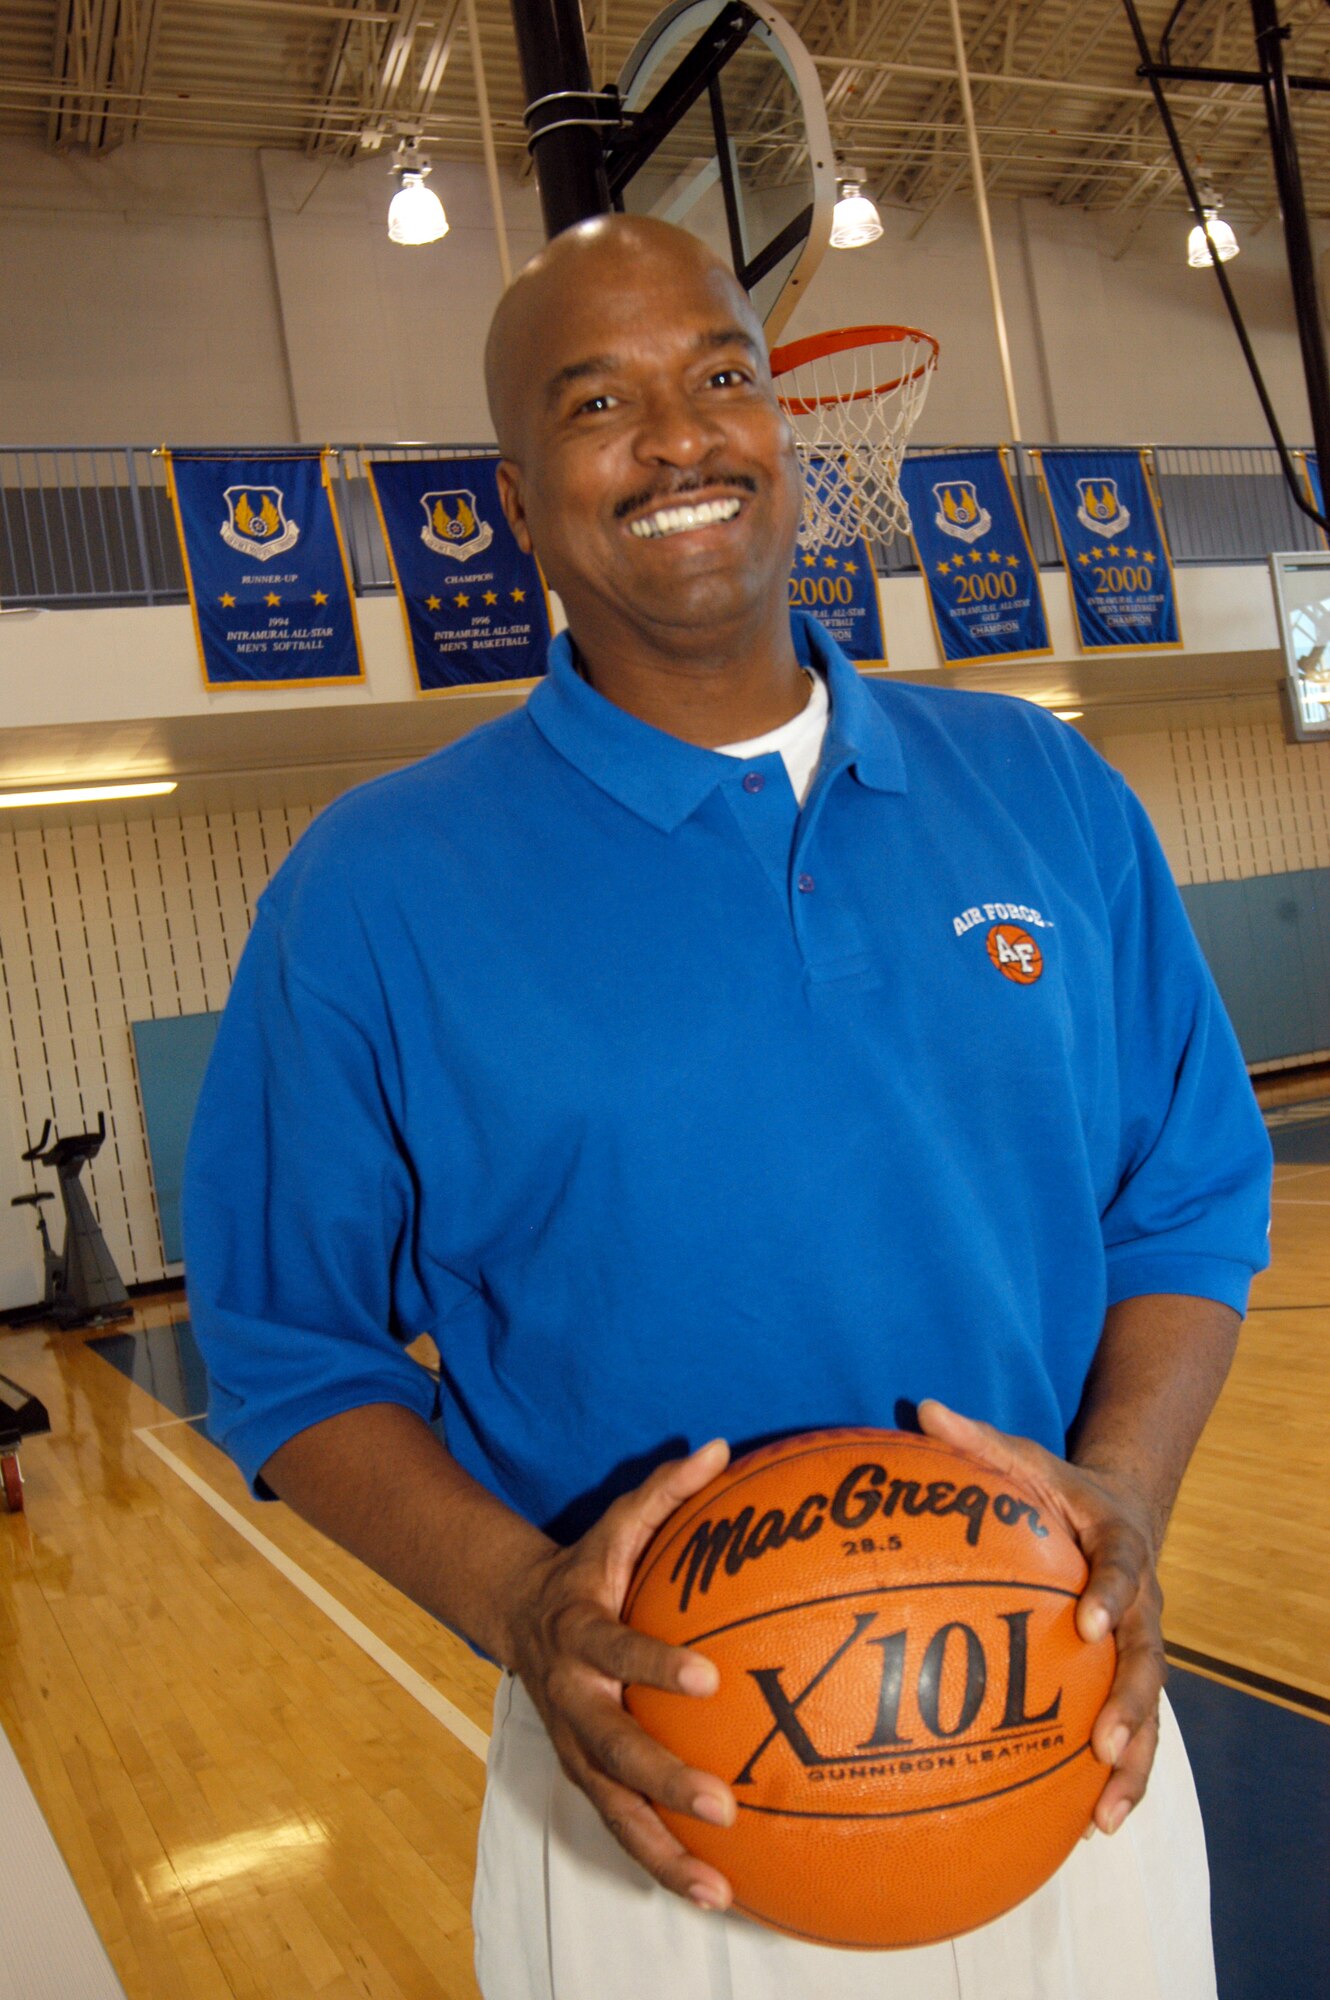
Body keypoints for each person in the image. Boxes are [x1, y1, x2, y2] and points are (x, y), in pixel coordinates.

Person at [183, 215, 1272, 2000]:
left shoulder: (1044, 792)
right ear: (519, 506)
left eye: (720, 376)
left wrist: (1122, 1501)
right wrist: (529, 1609)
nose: (680, 436)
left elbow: (1184, 1201)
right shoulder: (371, 891)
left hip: (1062, 1731)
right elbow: (295, 1356)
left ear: (785, 426)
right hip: (656, 1793)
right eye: (596, 401)